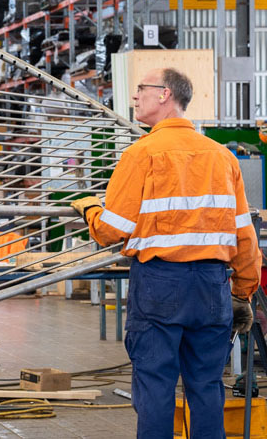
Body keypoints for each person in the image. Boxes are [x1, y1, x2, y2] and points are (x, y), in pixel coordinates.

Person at [71, 67, 260, 439]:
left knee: (156, 386)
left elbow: (112, 230)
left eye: (141, 89)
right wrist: (243, 292)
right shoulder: (223, 158)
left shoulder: (142, 154)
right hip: (212, 286)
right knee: (206, 387)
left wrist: (89, 208)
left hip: (160, 284)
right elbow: (244, 234)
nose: (135, 96)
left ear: (164, 95)